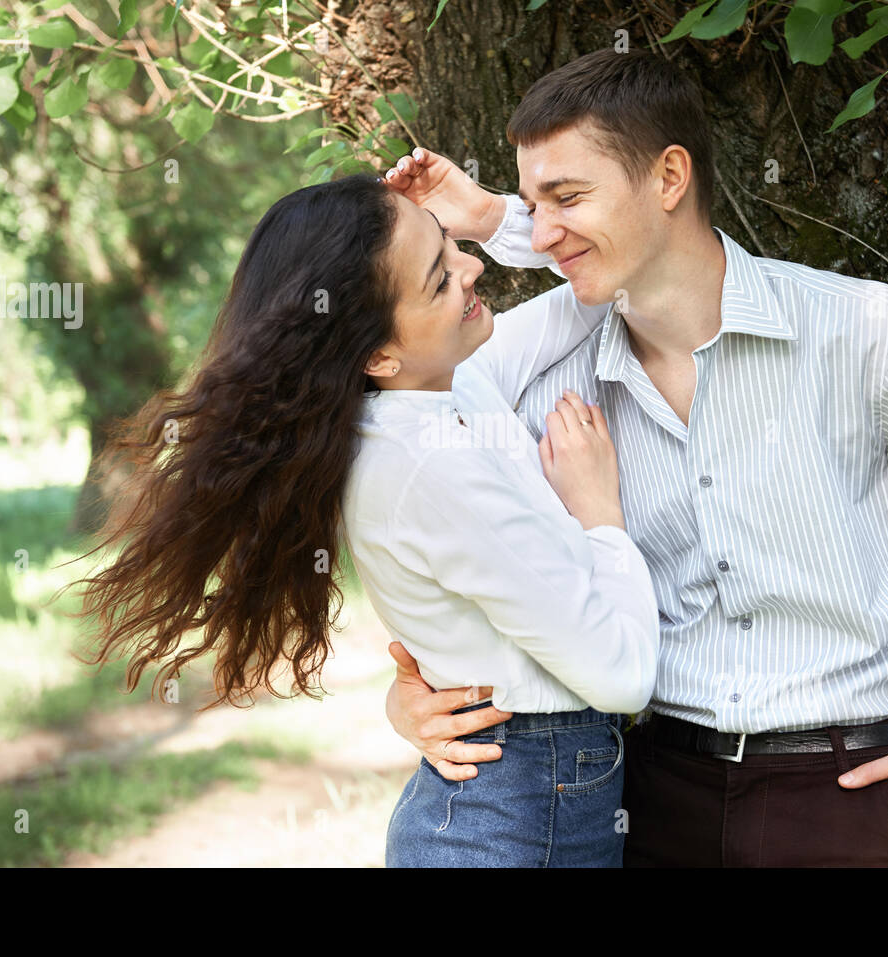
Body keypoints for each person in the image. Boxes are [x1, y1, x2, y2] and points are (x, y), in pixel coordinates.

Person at [381, 49, 888, 867]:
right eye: (530, 204)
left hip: (855, 803)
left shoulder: (875, 337)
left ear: (669, 179)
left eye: (568, 197)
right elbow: (457, 542)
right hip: (643, 803)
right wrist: (410, 694)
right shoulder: (536, 374)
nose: (542, 230)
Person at [67, 170, 661, 868]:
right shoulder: (428, 466)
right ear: (378, 353)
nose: (472, 269)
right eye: (440, 279)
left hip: (519, 799)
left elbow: (594, 291)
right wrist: (600, 515)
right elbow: (622, 676)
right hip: (515, 820)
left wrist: (491, 216)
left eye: (451, 245)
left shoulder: (438, 386)